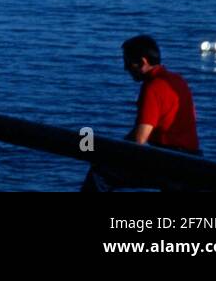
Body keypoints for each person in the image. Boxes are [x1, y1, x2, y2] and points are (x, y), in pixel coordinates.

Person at [81, 35, 201, 192]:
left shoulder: (153, 87)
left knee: (101, 173)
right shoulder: (178, 80)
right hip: (193, 158)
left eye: (128, 62)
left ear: (143, 62)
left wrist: (111, 152)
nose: (125, 68)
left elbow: (140, 138)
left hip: (170, 160)